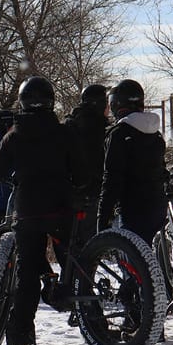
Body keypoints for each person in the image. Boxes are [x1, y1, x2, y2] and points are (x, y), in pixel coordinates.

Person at [0, 76, 78, 345]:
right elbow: (80, 169)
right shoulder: (64, 133)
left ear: (22, 102)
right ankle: (86, 313)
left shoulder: (14, 135)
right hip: (61, 208)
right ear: (50, 101)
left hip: (29, 211)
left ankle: (20, 340)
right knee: (74, 260)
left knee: (27, 272)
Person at [96, 79, 167, 248]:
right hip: (157, 204)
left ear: (117, 105)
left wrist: (103, 215)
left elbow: (112, 178)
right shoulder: (155, 134)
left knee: (131, 261)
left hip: (131, 208)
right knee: (152, 259)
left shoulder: (119, 134)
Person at [65, 84, 110, 252]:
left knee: (73, 249)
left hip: (70, 194)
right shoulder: (103, 130)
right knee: (90, 250)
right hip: (94, 194)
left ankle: (72, 277)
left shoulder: (70, 124)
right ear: (100, 104)